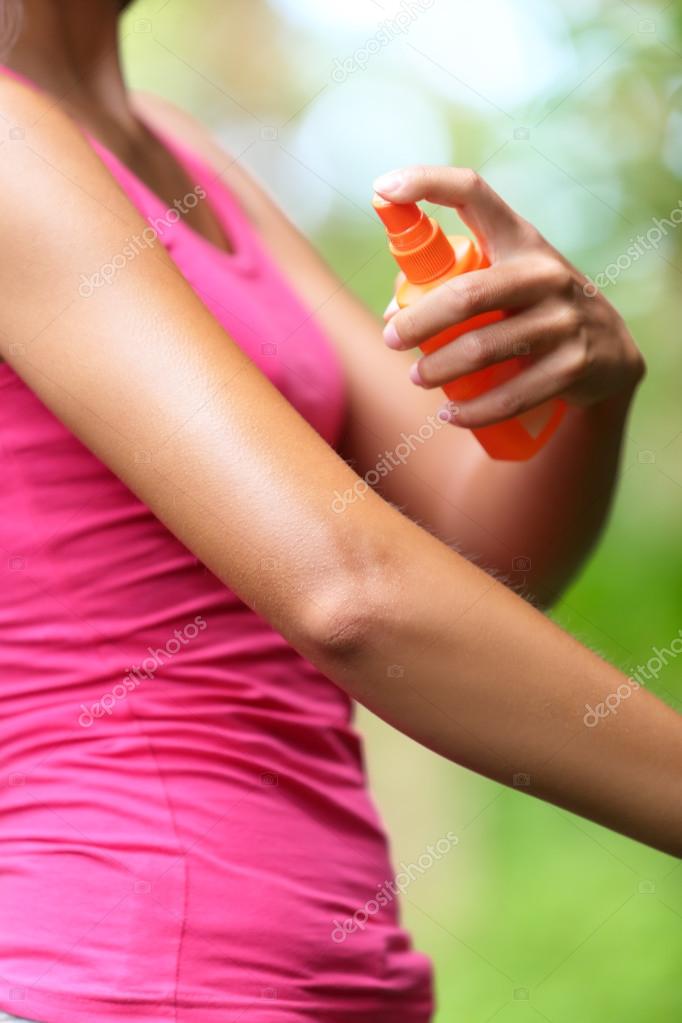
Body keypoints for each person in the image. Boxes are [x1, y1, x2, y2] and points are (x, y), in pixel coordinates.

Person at [0, 2, 678, 1022]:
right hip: (125, 966)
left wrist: (589, 397)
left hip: (331, 976)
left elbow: (482, 567)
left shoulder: (178, 149)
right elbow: (353, 595)